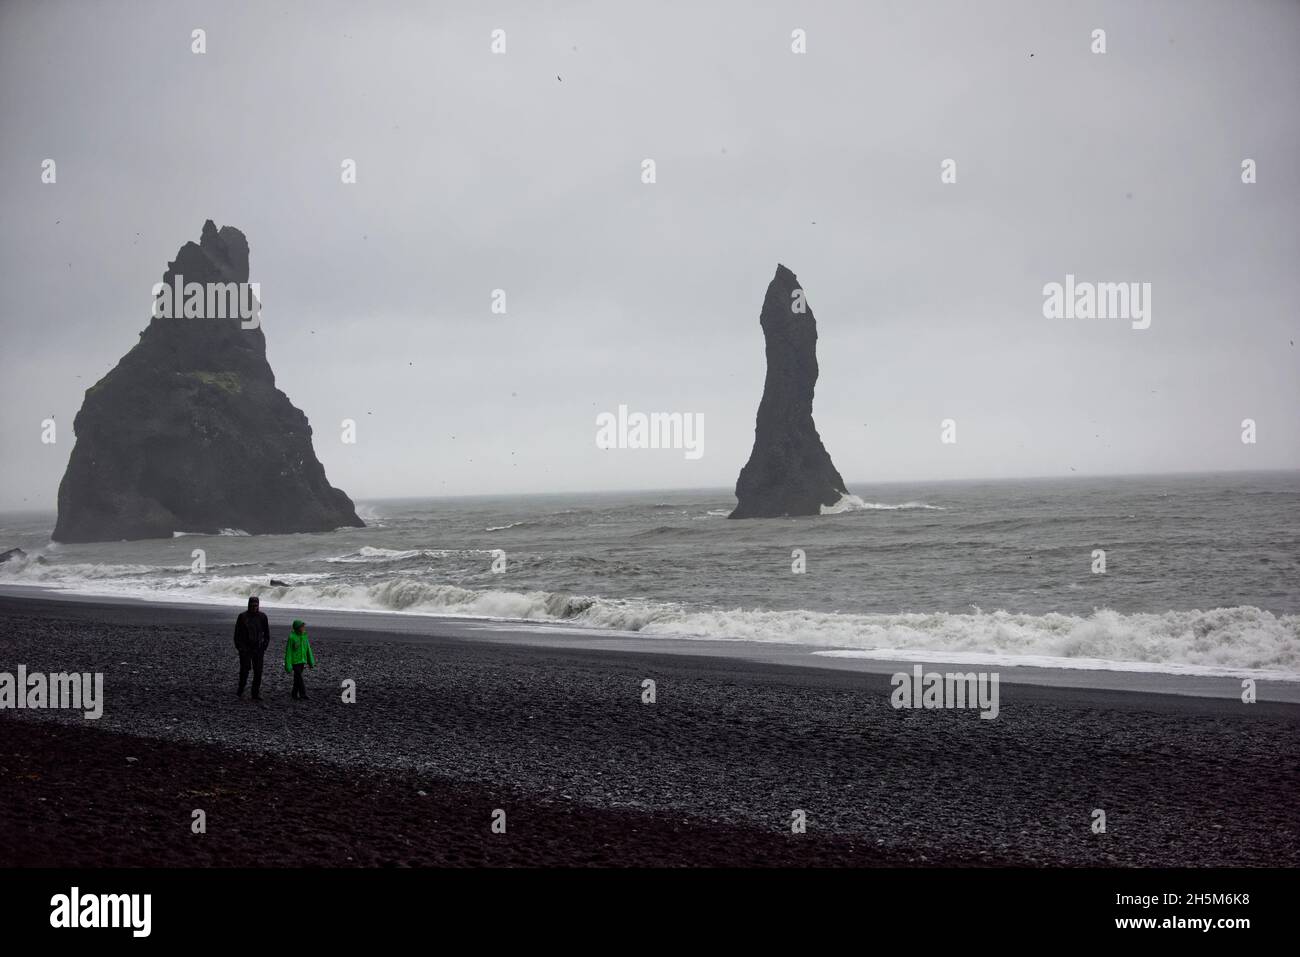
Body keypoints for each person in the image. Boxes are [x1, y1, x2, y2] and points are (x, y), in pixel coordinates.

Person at [233, 595, 271, 700]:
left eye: (256, 605)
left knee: (258, 671)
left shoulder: (263, 617)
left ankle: (255, 693)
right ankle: (240, 690)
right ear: (249, 604)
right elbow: (237, 634)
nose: (254, 607)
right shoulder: (242, 616)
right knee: (244, 671)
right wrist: (240, 648)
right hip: (245, 648)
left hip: (258, 649)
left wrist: (264, 647)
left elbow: (267, 634)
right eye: (253, 605)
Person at [284, 618, 316, 700]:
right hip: (295, 661)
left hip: (302, 660)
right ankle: (303, 694)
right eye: (302, 626)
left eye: (303, 626)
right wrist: (288, 664)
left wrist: (311, 661)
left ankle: (294, 694)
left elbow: (308, 649)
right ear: (297, 628)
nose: (303, 628)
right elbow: (288, 652)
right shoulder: (292, 637)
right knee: (299, 677)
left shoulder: (304, 636)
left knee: (297, 678)